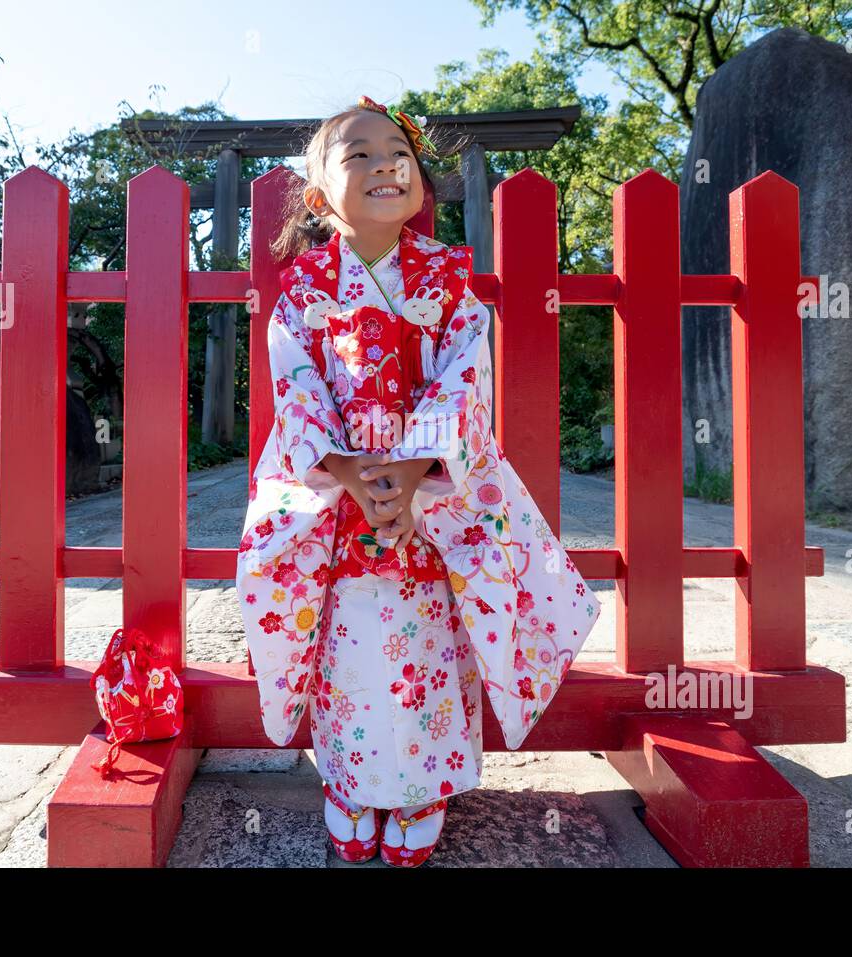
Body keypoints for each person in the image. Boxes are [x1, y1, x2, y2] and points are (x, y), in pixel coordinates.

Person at [236, 95, 600, 866]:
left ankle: (424, 787)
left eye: (397, 152)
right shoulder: (303, 292)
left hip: (432, 495)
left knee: (429, 644)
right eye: (358, 154)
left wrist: (411, 470)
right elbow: (295, 386)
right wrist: (345, 471)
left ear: (420, 183)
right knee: (347, 646)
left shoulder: (446, 283)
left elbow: (465, 378)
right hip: (337, 498)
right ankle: (347, 783)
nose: (384, 165)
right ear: (317, 197)